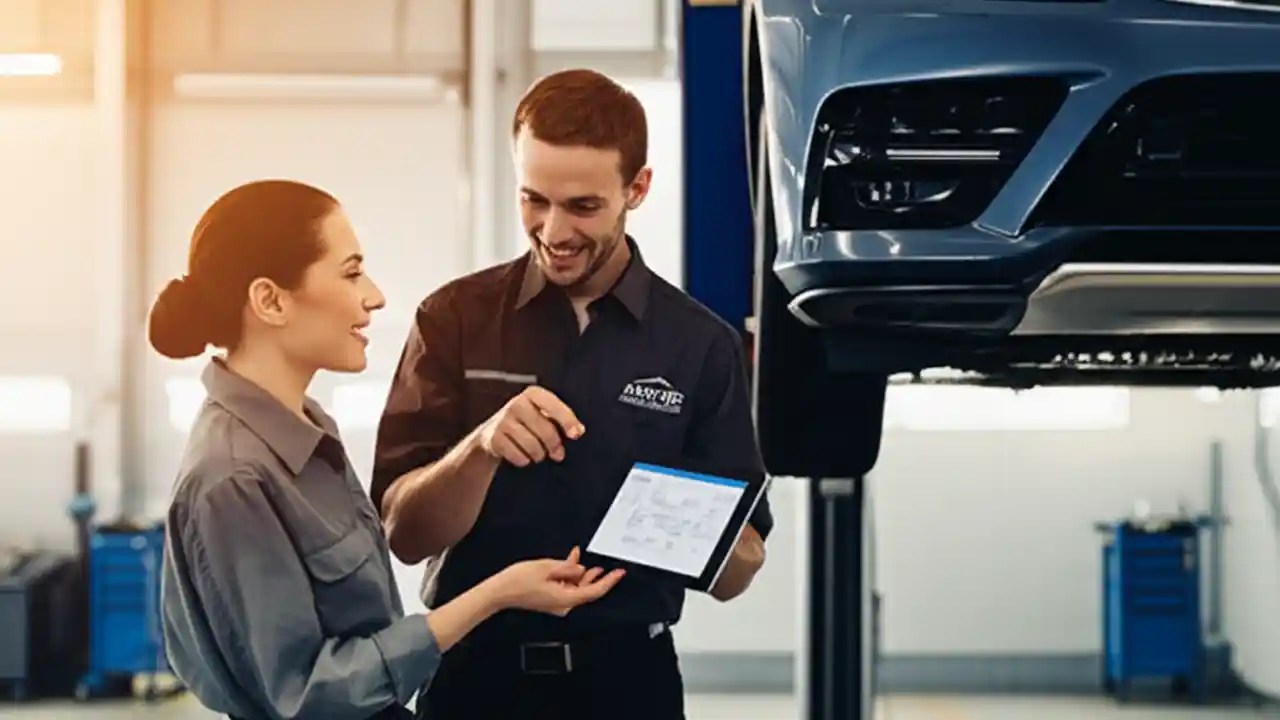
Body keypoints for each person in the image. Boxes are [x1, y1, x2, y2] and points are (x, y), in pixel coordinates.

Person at [372, 69, 774, 720]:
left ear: (636, 189)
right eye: (534, 199)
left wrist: (692, 530)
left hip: (628, 686)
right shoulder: (453, 319)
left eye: (582, 206)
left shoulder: (700, 346)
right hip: (475, 680)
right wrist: (480, 449)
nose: (554, 230)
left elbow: (738, 572)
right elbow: (406, 535)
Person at [150, 179, 625, 720]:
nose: (373, 295)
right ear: (270, 300)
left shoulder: (306, 428)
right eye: (351, 272)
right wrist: (495, 594)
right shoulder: (232, 476)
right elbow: (308, 694)